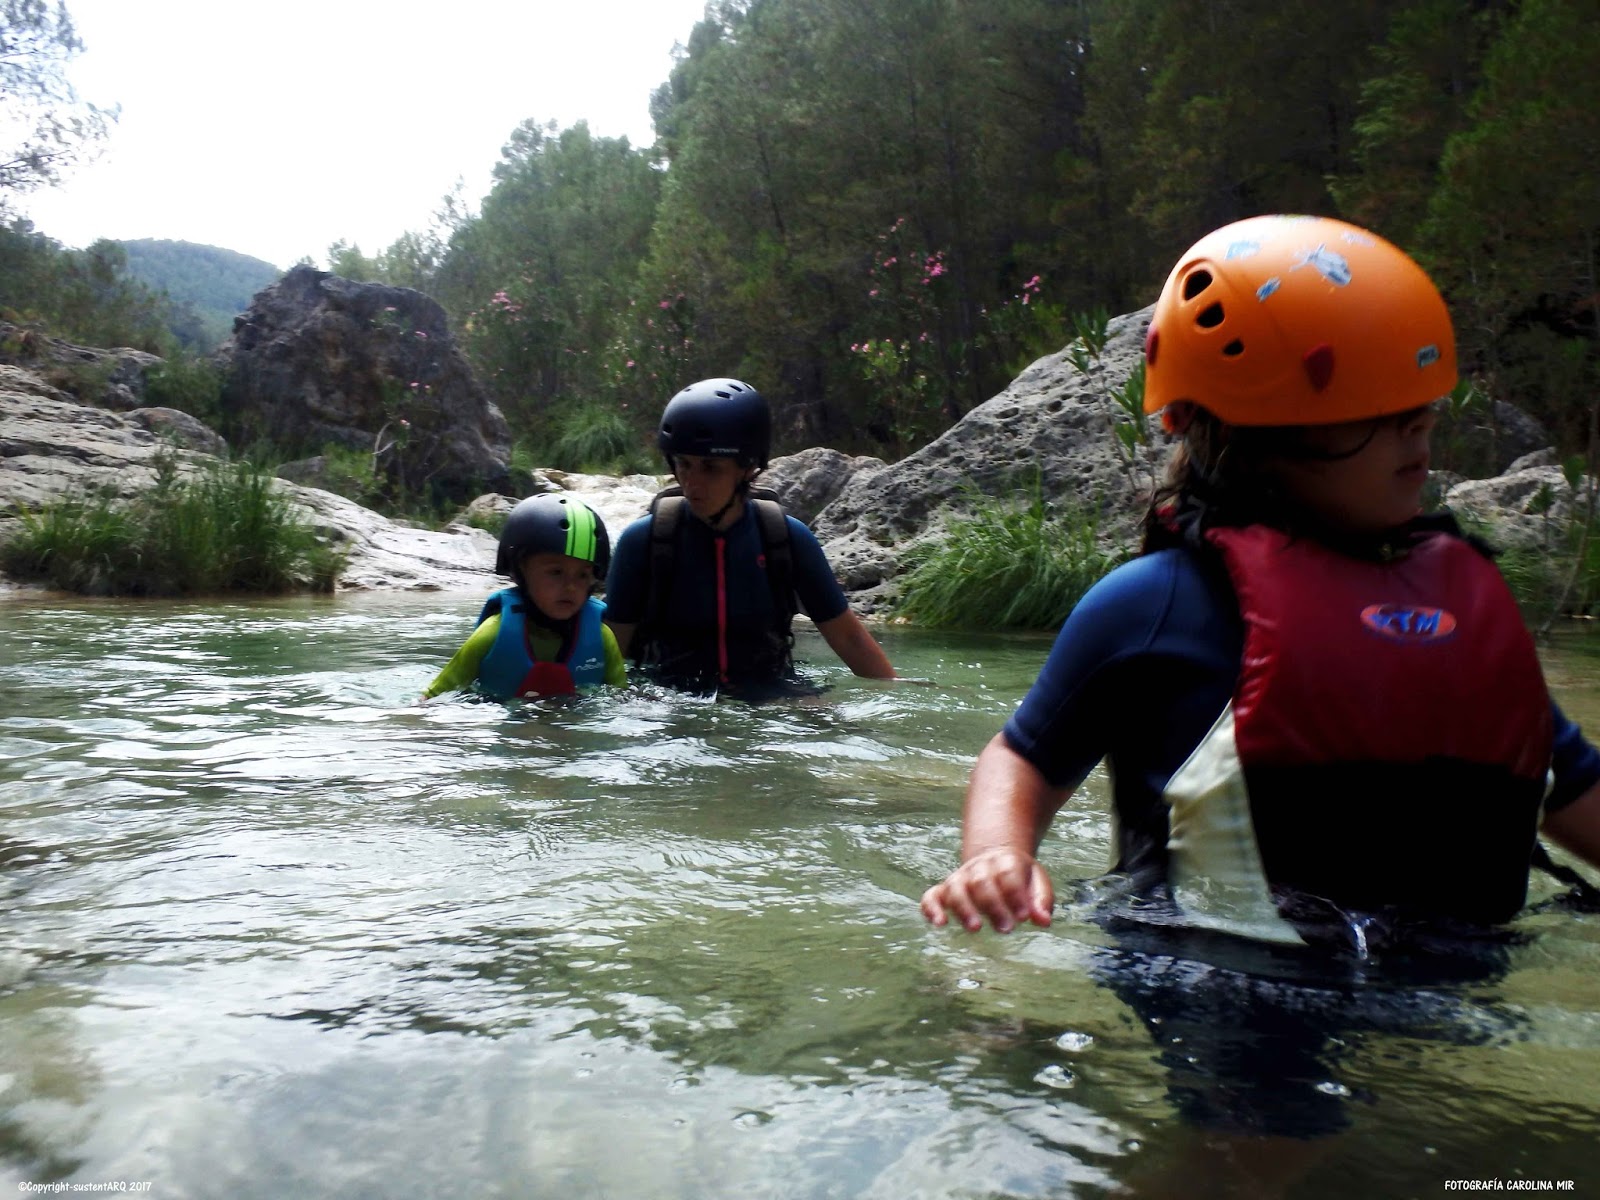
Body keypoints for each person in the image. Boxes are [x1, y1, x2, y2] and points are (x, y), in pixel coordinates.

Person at [918, 215, 1600, 1151]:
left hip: (1437, 967)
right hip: (1225, 965)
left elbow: (1569, 788)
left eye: (1424, 408)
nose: (1422, 433)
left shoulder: (1457, 614)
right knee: (1259, 1161)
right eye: (1382, 414)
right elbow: (1022, 755)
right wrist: (996, 856)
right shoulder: (1153, 605)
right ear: (1250, 433)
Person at [603, 377, 897, 697]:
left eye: (710, 467)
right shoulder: (642, 543)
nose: (692, 482)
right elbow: (610, 648)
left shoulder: (787, 539)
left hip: (773, 696)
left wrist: (900, 705)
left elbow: (848, 638)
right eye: (683, 464)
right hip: (667, 700)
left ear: (747, 467)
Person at [422, 493, 626, 701]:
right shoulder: (491, 634)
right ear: (520, 571)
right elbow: (433, 700)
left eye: (583, 575)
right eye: (556, 572)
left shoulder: (602, 637)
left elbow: (620, 699)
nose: (571, 586)